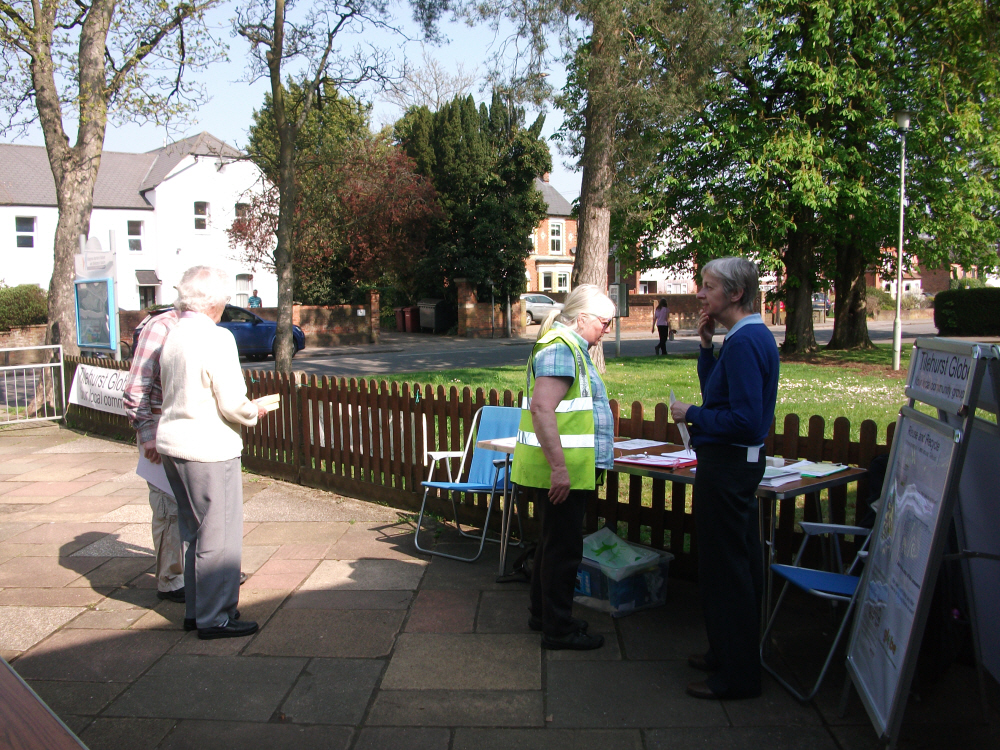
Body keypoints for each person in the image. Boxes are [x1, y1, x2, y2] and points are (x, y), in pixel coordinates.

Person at [670, 257, 779, 699]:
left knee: (730, 571)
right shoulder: (739, 338)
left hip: (731, 466)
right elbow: (721, 394)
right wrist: (705, 347)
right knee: (722, 565)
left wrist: (690, 414)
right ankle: (726, 654)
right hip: (726, 463)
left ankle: (737, 677)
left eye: (708, 286)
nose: (700, 294)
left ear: (735, 294)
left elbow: (749, 421)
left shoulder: (749, 341)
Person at [157, 266, 268, 640]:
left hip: (174, 445)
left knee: (194, 532)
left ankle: (196, 611)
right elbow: (233, 403)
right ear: (215, 303)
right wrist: (256, 411)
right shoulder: (216, 337)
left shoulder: (173, 334)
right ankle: (216, 618)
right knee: (219, 537)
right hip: (208, 449)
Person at [512, 284, 616, 651]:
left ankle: (545, 616)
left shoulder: (572, 348)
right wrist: (559, 468)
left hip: (568, 470)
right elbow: (543, 408)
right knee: (563, 550)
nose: (608, 329)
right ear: (583, 318)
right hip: (563, 473)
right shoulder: (561, 347)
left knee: (553, 546)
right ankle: (558, 629)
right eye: (605, 322)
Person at [123, 308, 185, 603]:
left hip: (184, 427)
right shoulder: (161, 327)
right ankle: (171, 580)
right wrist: (148, 436)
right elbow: (136, 387)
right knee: (168, 506)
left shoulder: (195, 326)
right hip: (160, 426)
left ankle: (196, 572)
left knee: (191, 504)